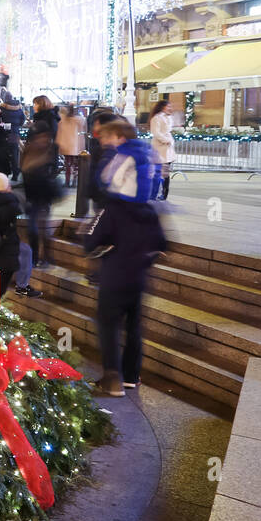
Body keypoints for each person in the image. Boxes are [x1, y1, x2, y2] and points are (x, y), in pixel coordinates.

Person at [82, 152, 169, 397]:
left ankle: (113, 378)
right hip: (139, 278)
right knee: (134, 326)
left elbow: (90, 240)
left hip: (114, 277)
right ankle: (131, 375)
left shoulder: (111, 210)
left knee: (108, 325)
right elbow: (161, 243)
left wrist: (106, 249)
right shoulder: (149, 211)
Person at [20, 119, 61, 267]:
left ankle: (45, 256)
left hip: (43, 194)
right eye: (40, 136)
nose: (43, 139)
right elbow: (24, 172)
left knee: (40, 226)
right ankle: (36, 256)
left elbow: (52, 170)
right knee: (33, 227)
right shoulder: (28, 149)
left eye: (46, 136)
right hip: (32, 194)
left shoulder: (52, 149)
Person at [148, 98, 175, 200]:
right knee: (157, 172)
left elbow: (168, 131)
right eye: (168, 106)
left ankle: (164, 193)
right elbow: (156, 132)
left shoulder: (169, 118)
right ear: (162, 107)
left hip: (167, 149)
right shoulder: (157, 118)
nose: (170, 108)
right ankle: (154, 194)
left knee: (165, 172)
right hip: (159, 148)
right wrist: (165, 140)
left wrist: (170, 141)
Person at [58, 105, 85, 187]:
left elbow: (59, 132)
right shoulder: (79, 120)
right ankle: (74, 181)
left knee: (68, 164)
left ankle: (67, 181)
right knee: (75, 164)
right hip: (76, 145)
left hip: (66, 146)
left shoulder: (62, 120)